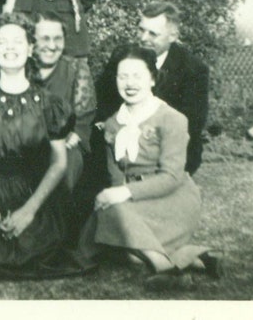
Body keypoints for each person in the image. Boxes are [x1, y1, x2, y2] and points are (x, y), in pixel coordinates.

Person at [0, 13, 87, 280]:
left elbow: (59, 163)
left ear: (30, 48)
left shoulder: (50, 105)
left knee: (39, 251)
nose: (10, 48)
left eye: (18, 41)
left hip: (34, 195)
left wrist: (28, 211)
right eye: (2, 42)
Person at [78, 46, 221, 291]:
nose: (129, 83)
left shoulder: (172, 118)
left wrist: (121, 195)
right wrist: (115, 195)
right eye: (123, 76)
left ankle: (163, 267)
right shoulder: (113, 123)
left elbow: (172, 177)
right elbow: (115, 175)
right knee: (108, 244)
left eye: (137, 76)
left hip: (172, 199)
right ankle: (195, 258)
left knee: (116, 229)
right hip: (132, 201)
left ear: (153, 79)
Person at [95, 1, 210, 174]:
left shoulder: (192, 69)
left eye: (152, 34)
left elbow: (191, 123)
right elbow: (102, 100)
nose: (143, 38)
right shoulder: (123, 56)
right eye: (141, 30)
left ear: (173, 36)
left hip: (167, 146)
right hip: (121, 138)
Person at [33, 14, 96, 194]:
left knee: (63, 167)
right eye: (45, 39)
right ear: (31, 40)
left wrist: (74, 133)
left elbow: (84, 114)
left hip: (67, 143)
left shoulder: (75, 69)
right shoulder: (23, 68)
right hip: (26, 139)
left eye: (58, 39)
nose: (52, 46)